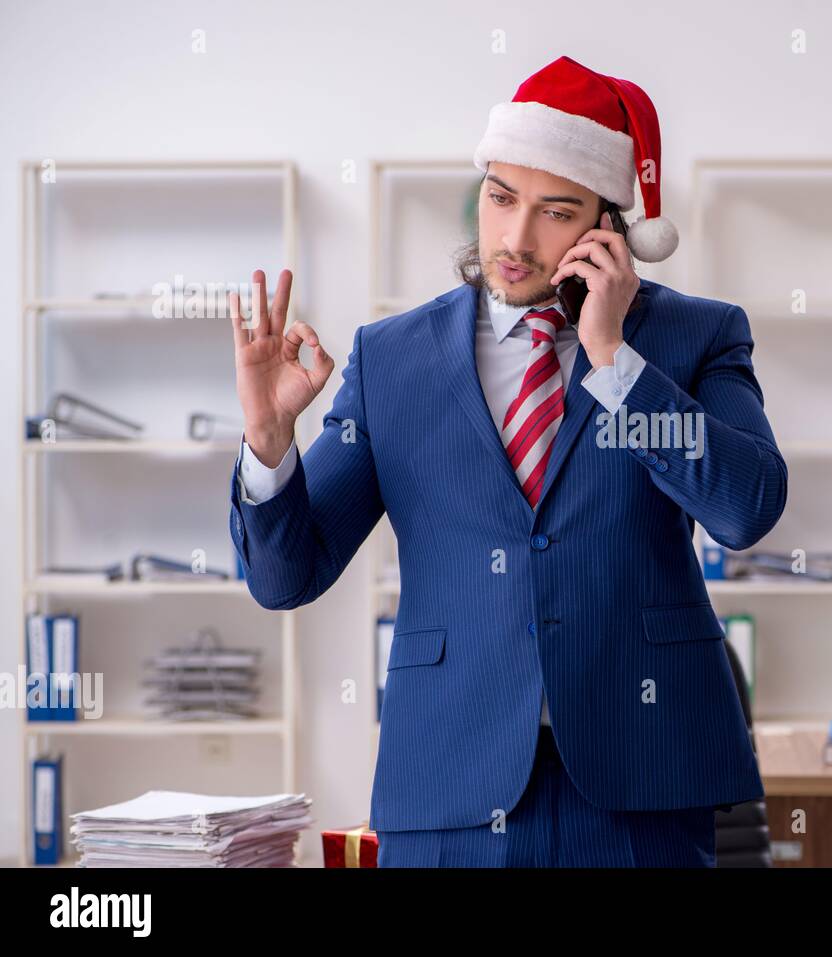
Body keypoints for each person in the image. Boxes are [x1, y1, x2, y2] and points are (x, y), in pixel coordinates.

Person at [227, 54, 787, 867]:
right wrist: (270, 440)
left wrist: (614, 360)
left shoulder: (695, 337)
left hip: (644, 778)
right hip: (450, 780)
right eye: (499, 199)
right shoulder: (393, 358)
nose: (515, 239)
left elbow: (746, 508)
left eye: (555, 213)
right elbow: (286, 578)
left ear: (608, 227)